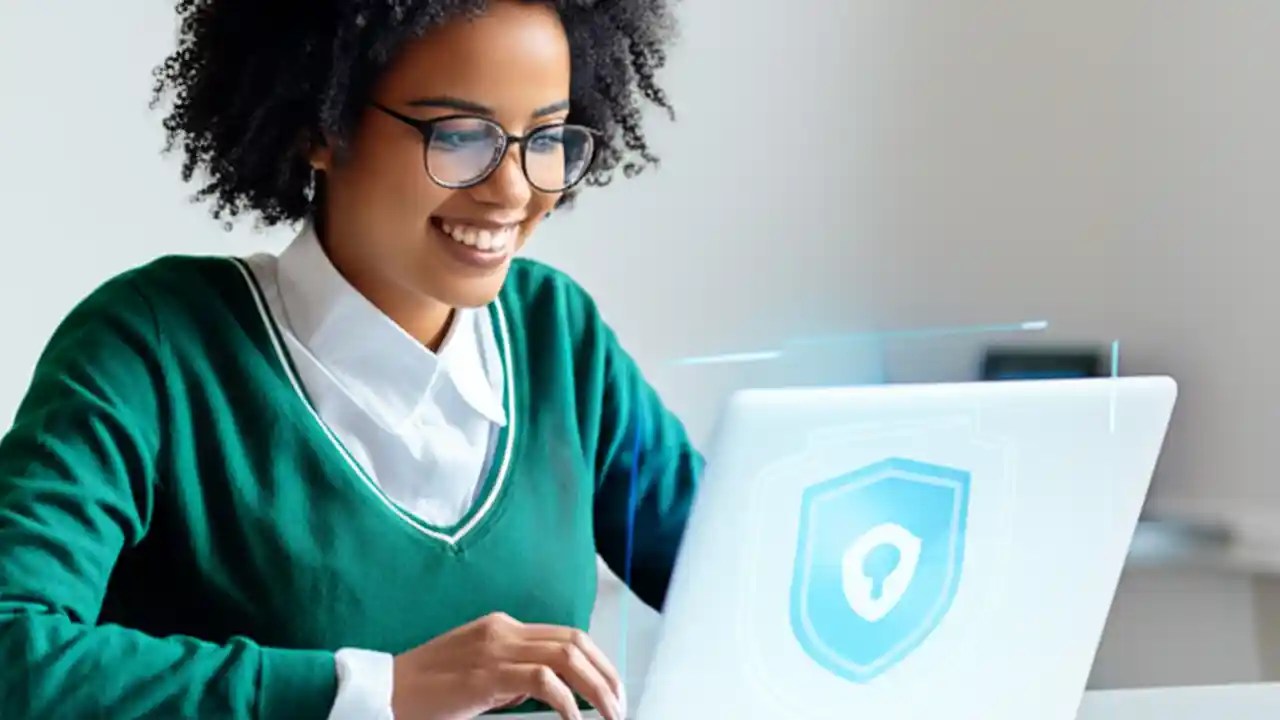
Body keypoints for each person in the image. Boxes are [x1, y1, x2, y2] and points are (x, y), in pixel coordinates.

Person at [0, 1, 700, 718]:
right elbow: (14, 649)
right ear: (321, 129)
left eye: (545, 137)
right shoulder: (154, 347)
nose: (514, 190)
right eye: (459, 135)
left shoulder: (559, 336)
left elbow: (749, 577)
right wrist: (376, 693)